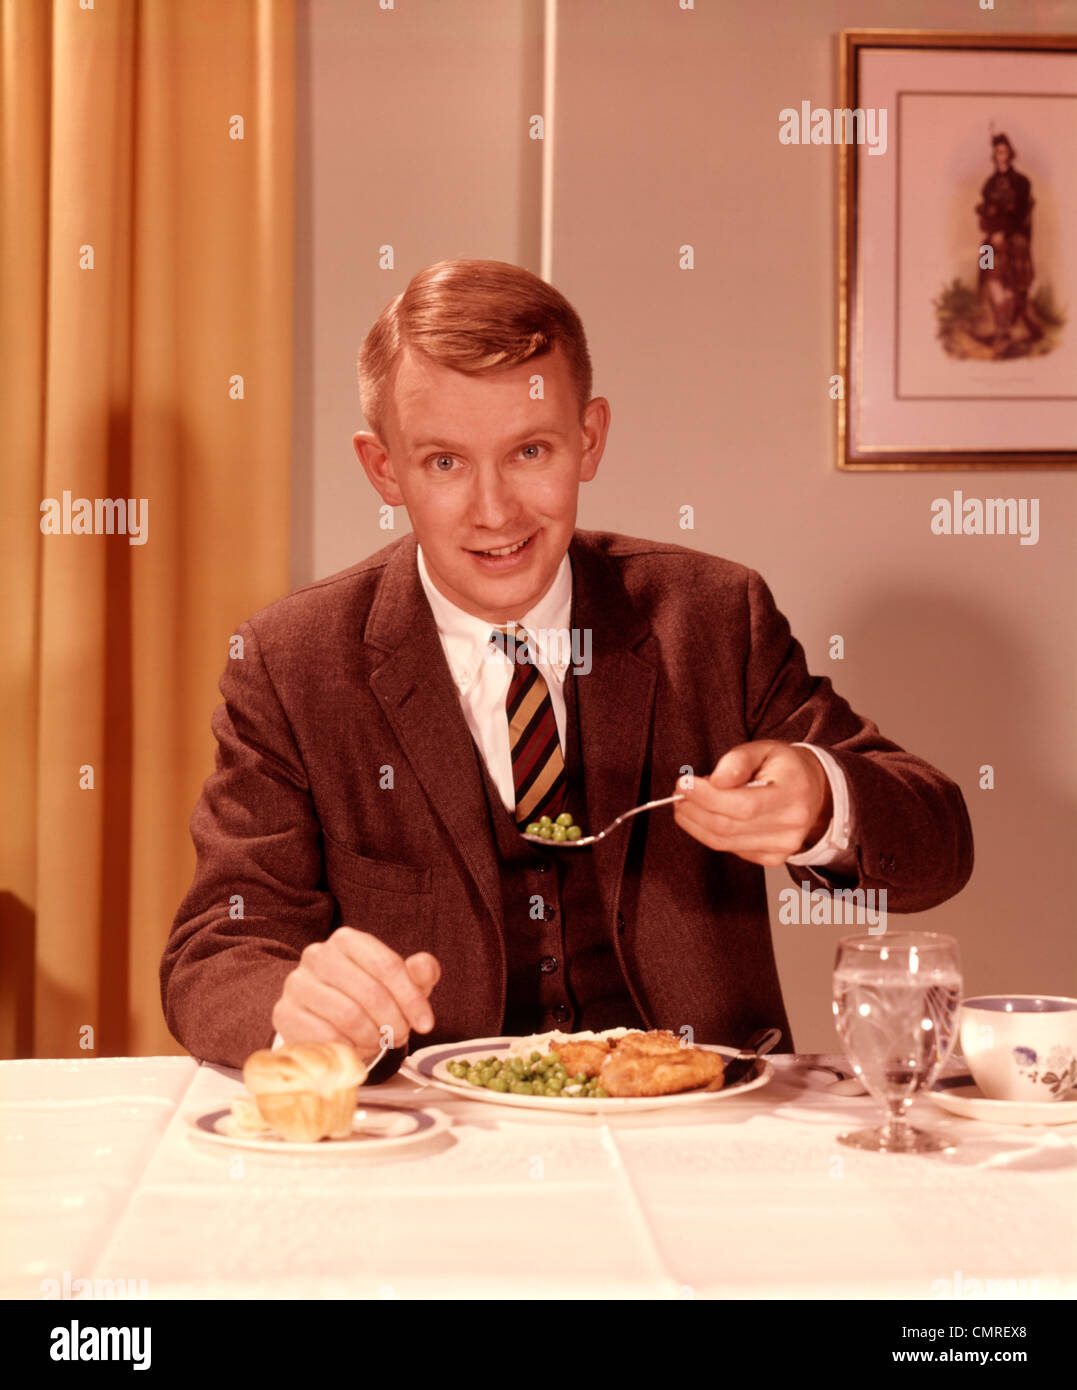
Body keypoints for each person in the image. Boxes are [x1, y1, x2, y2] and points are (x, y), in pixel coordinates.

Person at [160, 259, 974, 1075]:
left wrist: (823, 799)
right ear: (384, 470)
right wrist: (289, 1002)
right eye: (444, 462)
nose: (495, 511)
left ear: (589, 440)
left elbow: (937, 846)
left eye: (529, 452)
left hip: (695, 1130)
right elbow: (214, 951)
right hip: (433, 1147)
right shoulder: (292, 663)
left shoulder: (712, 615)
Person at [975, 133, 1041, 352]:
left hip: (1015, 238)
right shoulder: (988, 184)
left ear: (1010, 153)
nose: (998, 155)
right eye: (995, 151)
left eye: (1002, 151)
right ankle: (1019, 325)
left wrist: (1003, 231)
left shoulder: (1022, 182)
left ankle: (1004, 334)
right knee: (988, 274)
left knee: (1012, 286)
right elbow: (986, 214)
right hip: (991, 240)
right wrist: (992, 229)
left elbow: (1021, 213)